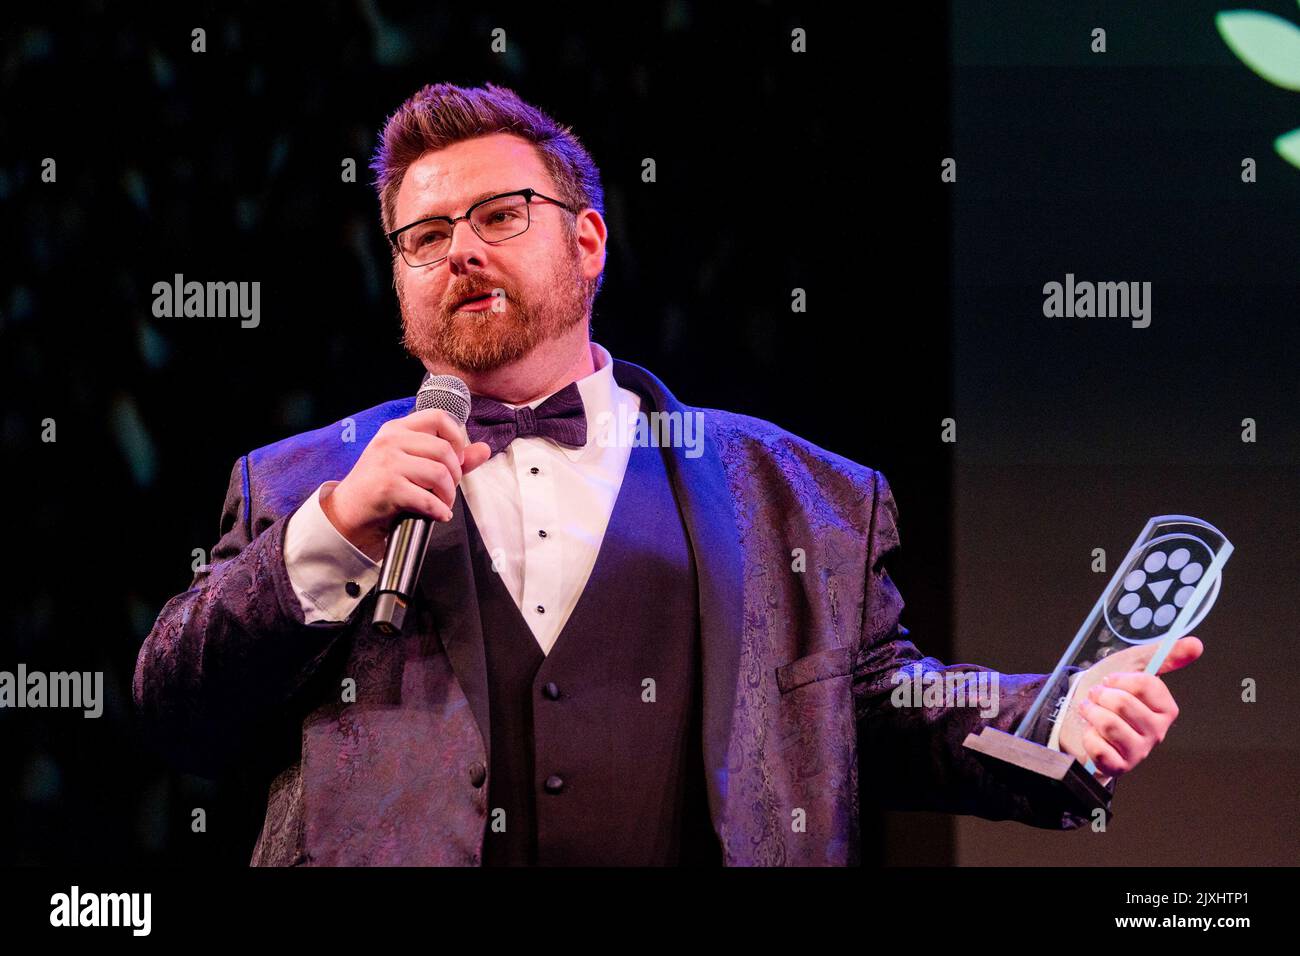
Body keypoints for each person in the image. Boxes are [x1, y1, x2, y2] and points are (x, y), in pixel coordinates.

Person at [132, 82, 1200, 866]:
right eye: (424, 234)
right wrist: (334, 531)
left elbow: (876, 706)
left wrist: (1052, 709)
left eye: (499, 216)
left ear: (588, 241)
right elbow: (182, 712)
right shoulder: (299, 479)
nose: (460, 249)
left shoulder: (798, 492)